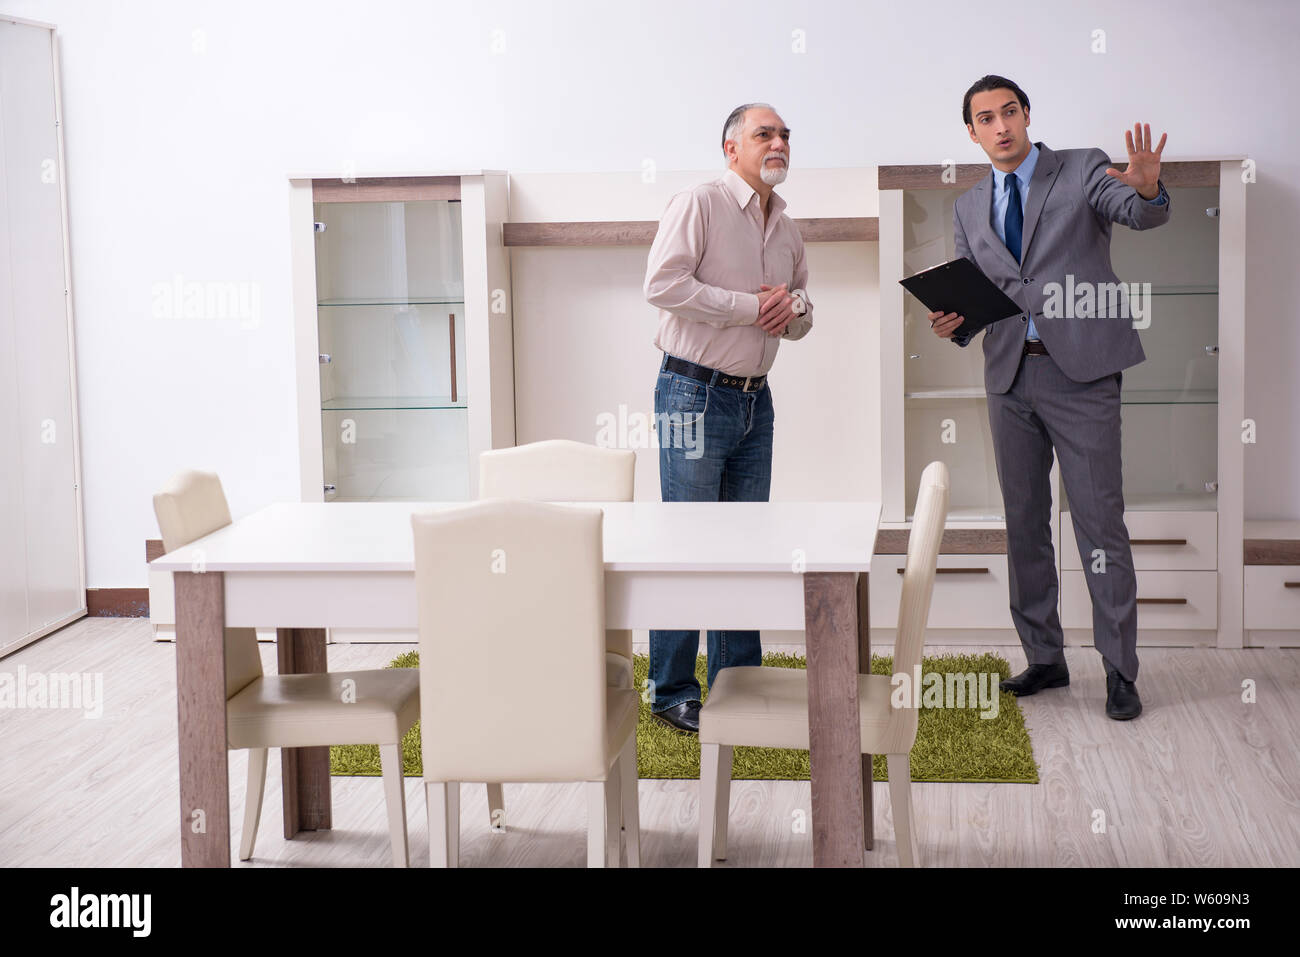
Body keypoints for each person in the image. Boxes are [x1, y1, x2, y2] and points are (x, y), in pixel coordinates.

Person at [929, 74, 1171, 720]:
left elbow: (1137, 212)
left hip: (1083, 374)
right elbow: (975, 292)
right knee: (1025, 523)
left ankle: (1121, 669)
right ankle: (1045, 655)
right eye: (986, 118)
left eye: (1010, 111)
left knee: (1099, 525)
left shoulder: (1081, 169)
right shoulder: (968, 207)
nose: (1001, 125)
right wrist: (956, 320)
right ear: (973, 132)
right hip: (1010, 377)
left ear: (1027, 114)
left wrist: (1146, 190)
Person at [641, 102, 813, 734]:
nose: (779, 143)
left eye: (785, 136)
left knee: (744, 545)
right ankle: (670, 691)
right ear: (731, 147)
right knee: (689, 545)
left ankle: (736, 682)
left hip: (754, 399)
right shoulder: (702, 202)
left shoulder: (787, 227)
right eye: (765, 133)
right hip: (691, 394)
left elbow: (802, 315)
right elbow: (662, 285)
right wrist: (750, 307)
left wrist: (787, 313)